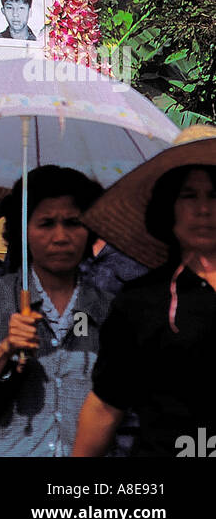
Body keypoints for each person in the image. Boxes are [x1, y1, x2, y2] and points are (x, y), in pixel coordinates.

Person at [73, 131, 216, 458]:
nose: (204, 209)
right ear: (169, 207)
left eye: (215, 194)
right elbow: (106, 407)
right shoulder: (141, 302)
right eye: (189, 195)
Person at [0, 165, 108, 456]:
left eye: (72, 222)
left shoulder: (108, 309)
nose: (60, 237)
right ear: (22, 229)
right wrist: (2, 355)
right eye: (46, 223)